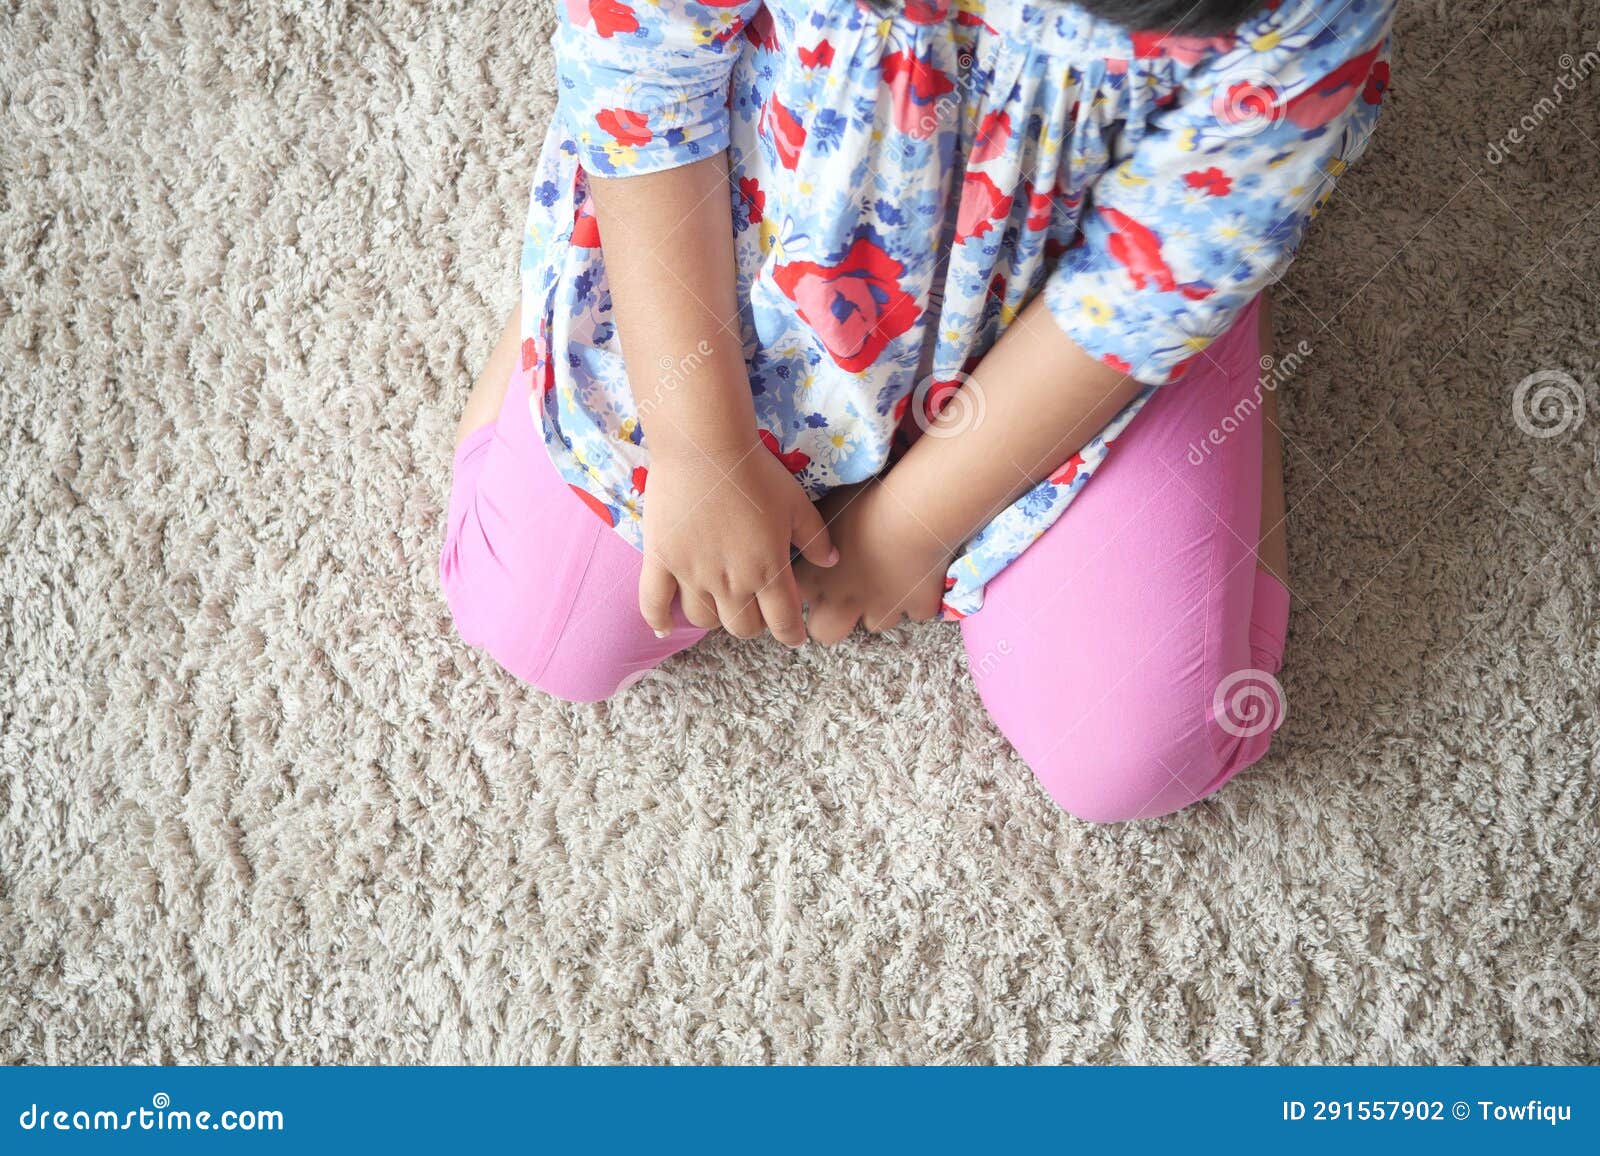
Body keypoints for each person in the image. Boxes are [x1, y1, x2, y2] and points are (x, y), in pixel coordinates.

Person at [440, 0, 1394, 821]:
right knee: (540, 634)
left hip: (1086, 292)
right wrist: (700, 444)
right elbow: (641, 66)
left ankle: (1231, 295)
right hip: (762, 202)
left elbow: (1148, 286)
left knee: (1140, 756)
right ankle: (576, 271)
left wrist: (908, 529)